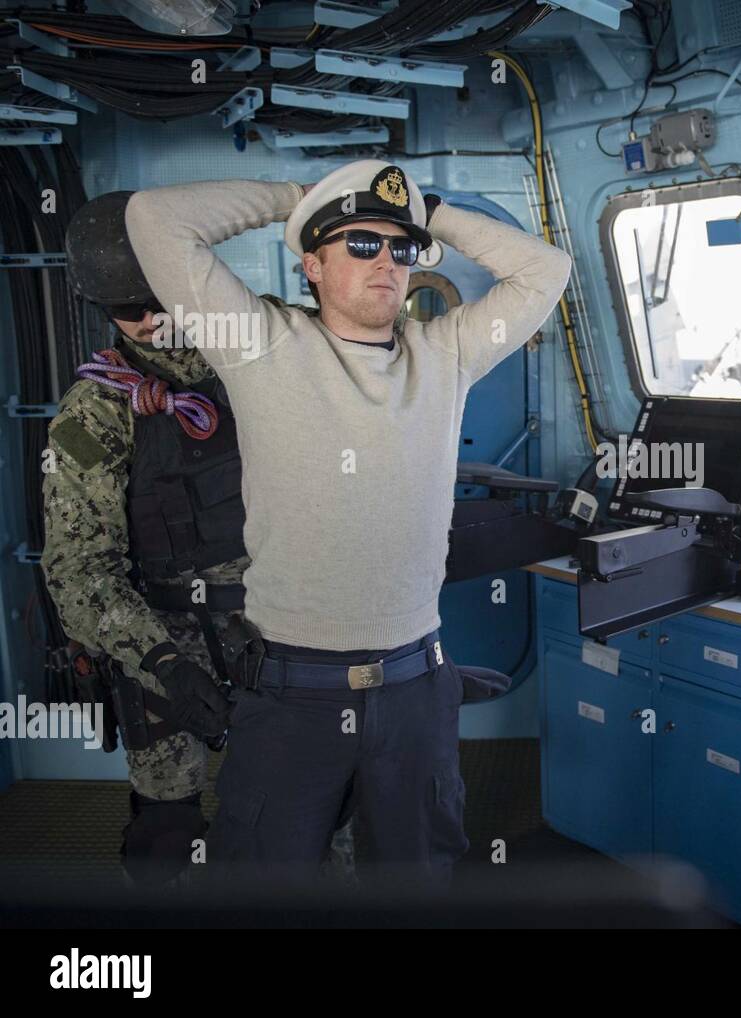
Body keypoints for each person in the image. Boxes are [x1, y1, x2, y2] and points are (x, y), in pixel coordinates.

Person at [122, 160, 570, 888]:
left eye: (402, 248)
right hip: (294, 695)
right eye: (360, 244)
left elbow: (546, 269)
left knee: (418, 884)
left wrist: (434, 213)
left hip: (415, 690)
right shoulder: (262, 344)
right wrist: (297, 200)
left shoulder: (443, 355)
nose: (387, 262)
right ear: (313, 264)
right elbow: (154, 220)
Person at [43, 192, 246, 885]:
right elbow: (78, 571)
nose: (155, 320)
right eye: (133, 309)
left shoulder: (254, 367)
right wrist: (161, 661)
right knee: (167, 832)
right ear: (105, 311)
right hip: (157, 636)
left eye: (163, 295)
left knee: (317, 809)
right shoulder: (96, 413)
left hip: (270, 626)